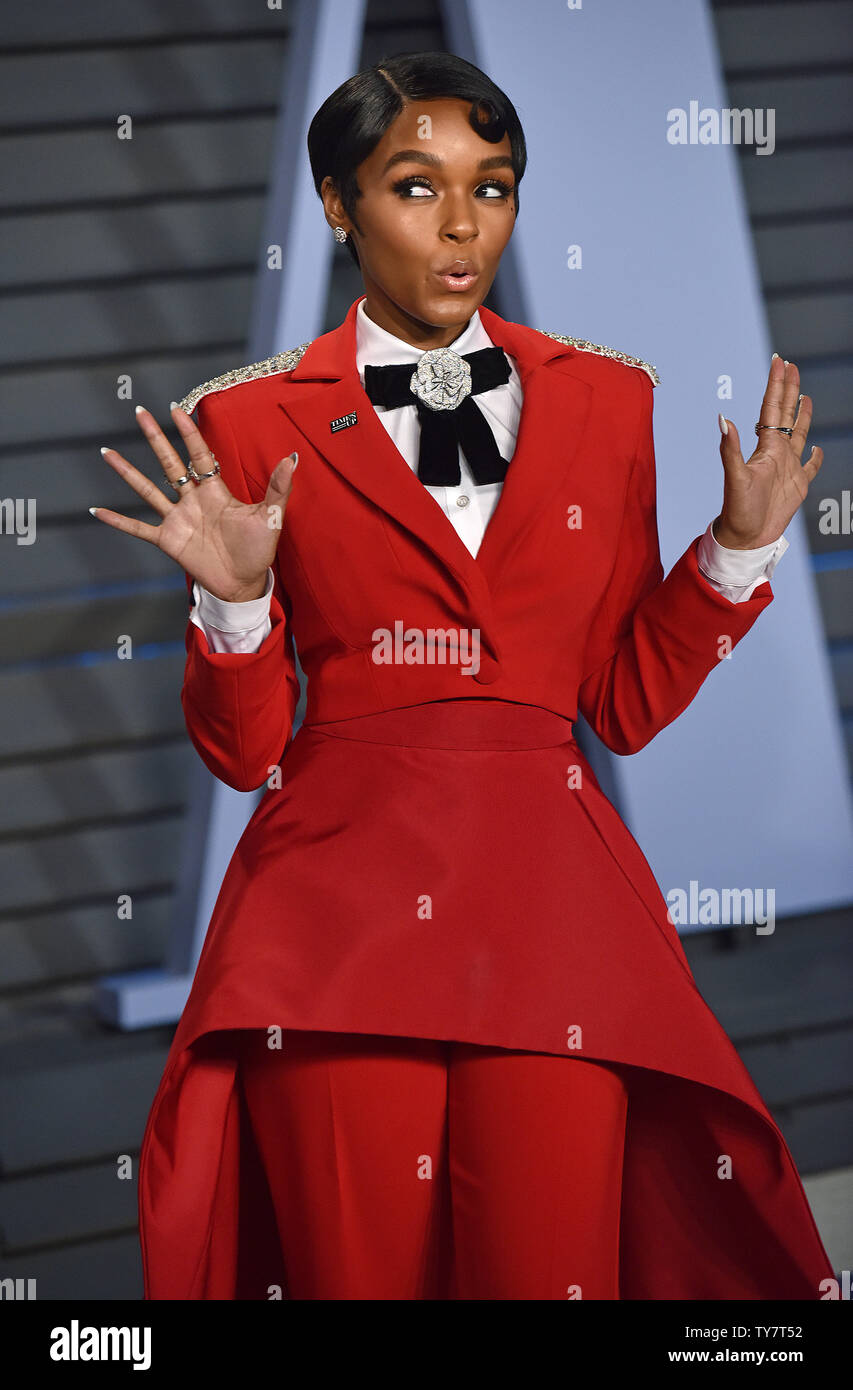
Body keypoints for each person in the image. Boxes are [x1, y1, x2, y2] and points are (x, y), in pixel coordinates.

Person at [91, 52, 833, 1300]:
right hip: (334, 929)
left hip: (556, 919)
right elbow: (246, 748)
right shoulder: (250, 420)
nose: (460, 225)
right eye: (413, 185)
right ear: (337, 204)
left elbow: (620, 706)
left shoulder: (608, 400)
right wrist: (236, 598)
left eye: (491, 187)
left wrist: (733, 555)